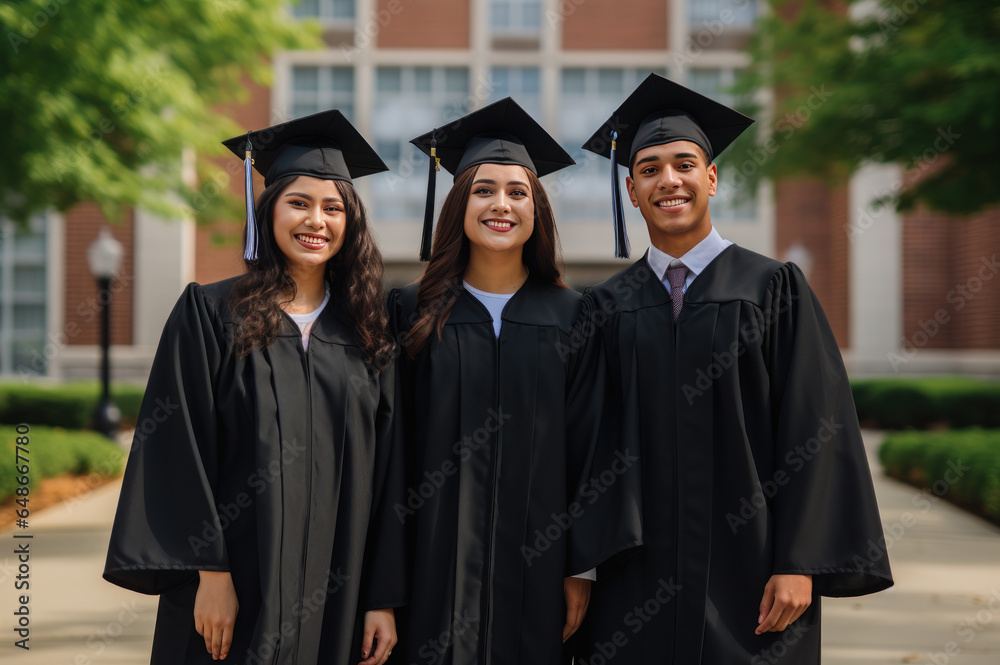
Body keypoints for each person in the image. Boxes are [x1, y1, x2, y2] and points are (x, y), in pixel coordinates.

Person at [569, 74, 894, 663]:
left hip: (753, 569)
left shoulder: (772, 289)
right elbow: (584, 445)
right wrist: (581, 567)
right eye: (650, 169)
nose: (669, 180)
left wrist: (799, 561)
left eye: (685, 164)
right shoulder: (604, 308)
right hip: (632, 576)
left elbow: (815, 427)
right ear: (632, 191)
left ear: (712, 178)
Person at [104, 110, 405, 665]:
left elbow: (388, 473)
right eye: (299, 203)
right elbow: (177, 447)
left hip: (337, 592)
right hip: (233, 589)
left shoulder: (368, 332)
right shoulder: (211, 313)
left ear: (350, 223)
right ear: (267, 212)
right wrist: (211, 574)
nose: (316, 220)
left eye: (333, 208)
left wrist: (381, 598)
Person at [389, 98, 641, 665]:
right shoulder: (409, 311)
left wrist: (580, 568)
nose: (500, 204)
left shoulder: (574, 316)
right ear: (458, 204)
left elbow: (594, 447)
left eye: (517, 192)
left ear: (537, 211)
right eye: (483, 190)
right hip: (429, 565)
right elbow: (388, 450)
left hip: (540, 568)